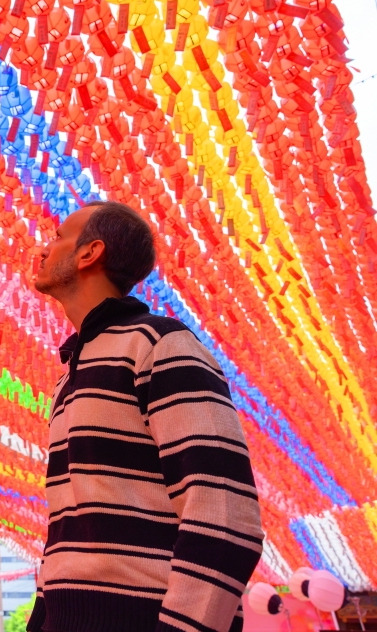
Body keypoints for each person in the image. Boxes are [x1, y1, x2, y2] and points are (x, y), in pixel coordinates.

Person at [27, 200, 264, 632]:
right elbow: (69, 524)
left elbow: (226, 510)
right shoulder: (70, 376)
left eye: (59, 236)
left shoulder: (159, 345)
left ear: (89, 253)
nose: (43, 249)